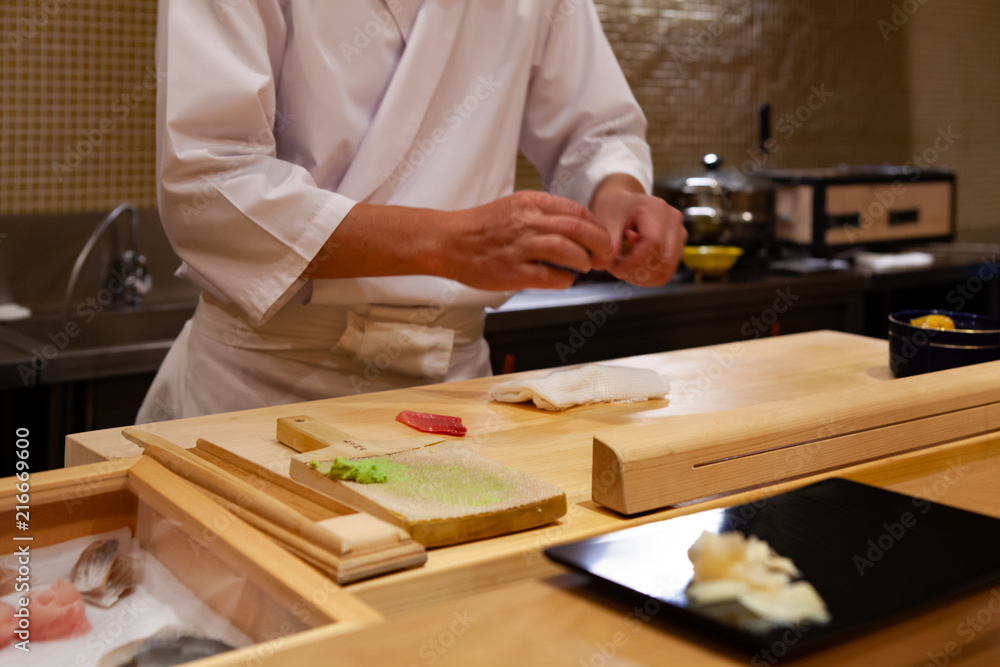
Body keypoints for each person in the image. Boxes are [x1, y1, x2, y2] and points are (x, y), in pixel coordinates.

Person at [137, 0, 686, 423]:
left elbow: (594, 131)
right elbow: (209, 186)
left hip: (454, 390)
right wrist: (445, 243)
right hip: (259, 391)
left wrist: (615, 192)